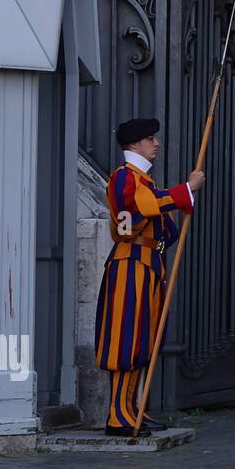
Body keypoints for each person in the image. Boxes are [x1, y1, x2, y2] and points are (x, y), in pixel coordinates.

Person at [94, 118, 206, 436]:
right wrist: (184, 191)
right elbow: (131, 218)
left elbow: (163, 225)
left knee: (143, 341)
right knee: (125, 340)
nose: (156, 143)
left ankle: (132, 409)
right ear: (134, 145)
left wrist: (177, 202)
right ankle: (117, 415)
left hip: (148, 266)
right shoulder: (124, 178)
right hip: (129, 265)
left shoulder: (144, 181)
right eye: (150, 139)